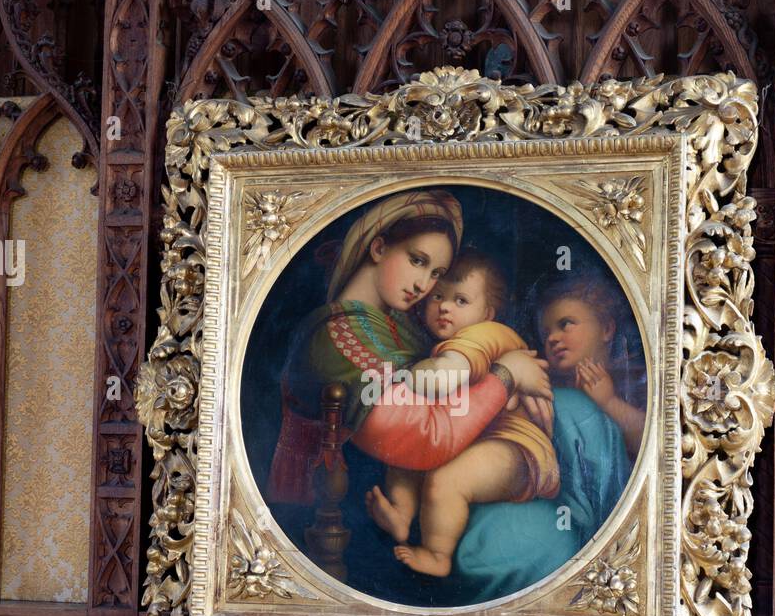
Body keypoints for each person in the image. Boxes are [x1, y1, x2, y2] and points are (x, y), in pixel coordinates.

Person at [268, 189, 552, 510]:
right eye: (417, 261)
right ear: (378, 247)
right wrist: (507, 374)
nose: (423, 286)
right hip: (318, 512)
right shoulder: (337, 338)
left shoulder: (400, 322)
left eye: (436, 274)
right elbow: (429, 438)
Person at [365, 249, 560, 576]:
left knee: (446, 480)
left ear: (488, 313)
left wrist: (402, 377)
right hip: (468, 440)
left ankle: (438, 555)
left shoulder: (482, 336)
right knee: (407, 447)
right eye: (438, 296)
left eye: (460, 301)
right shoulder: (454, 341)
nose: (444, 306)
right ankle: (401, 512)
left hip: (515, 450)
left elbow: (444, 378)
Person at [536, 273, 646, 459]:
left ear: (606, 329)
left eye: (565, 324)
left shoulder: (632, 378)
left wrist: (609, 402)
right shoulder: (548, 389)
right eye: (546, 333)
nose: (552, 338)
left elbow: (652, 439)